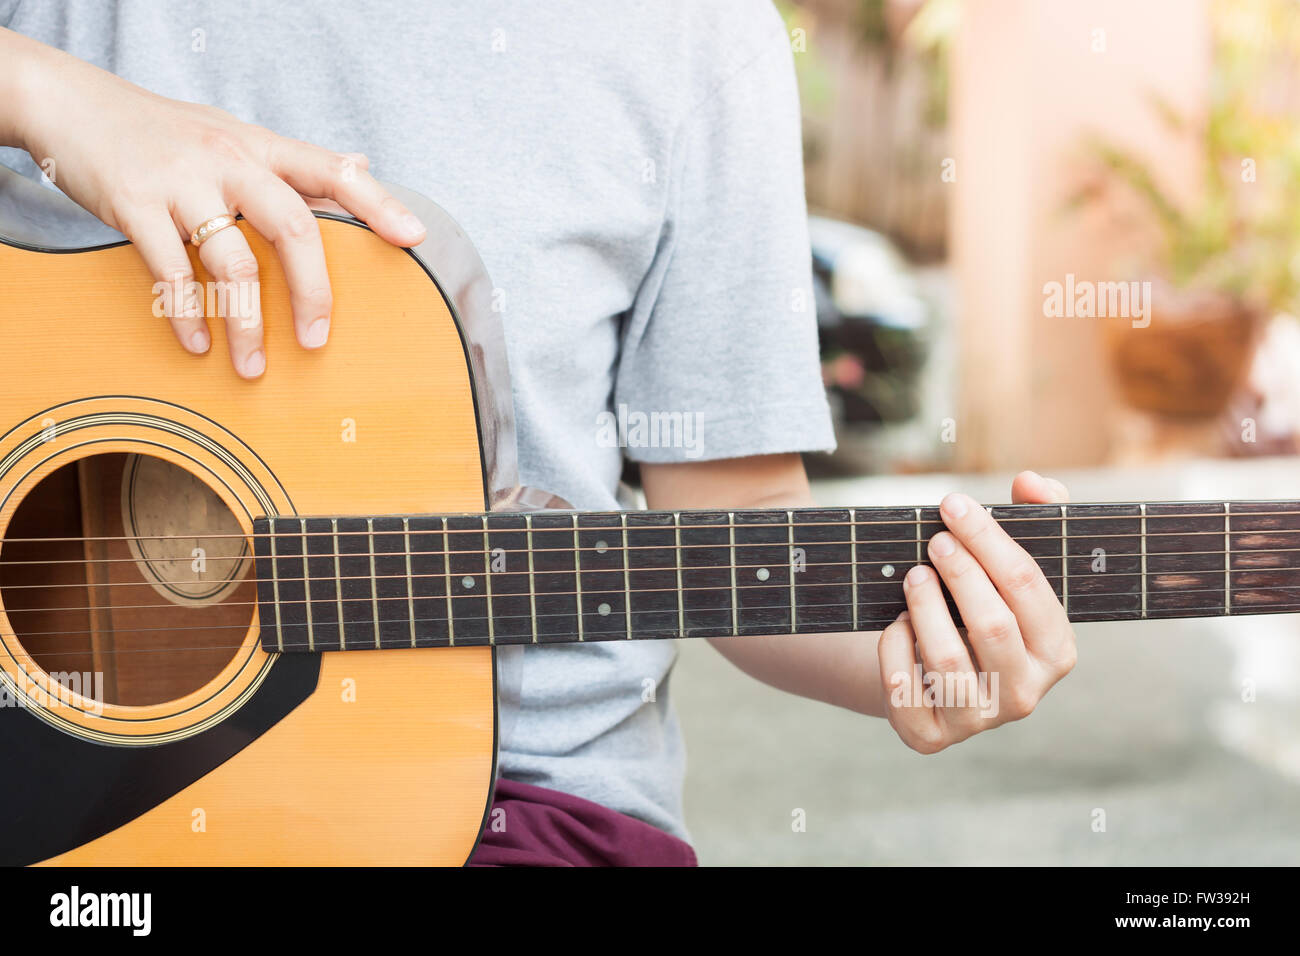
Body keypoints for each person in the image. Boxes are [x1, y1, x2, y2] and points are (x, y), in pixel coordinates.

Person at [0, 1, 1076, 866]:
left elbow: (736, 519)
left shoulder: (694, 36)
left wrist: (930, 650)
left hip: (519, 808)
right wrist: (46, 95)